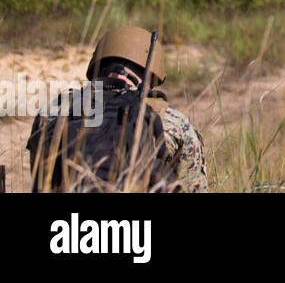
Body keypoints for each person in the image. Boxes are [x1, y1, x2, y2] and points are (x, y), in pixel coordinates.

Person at [27, 26, 208, 192]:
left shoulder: (54, 111)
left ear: (97, 64)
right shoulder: (173, 124)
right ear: (153, 73)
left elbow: (42, 183)